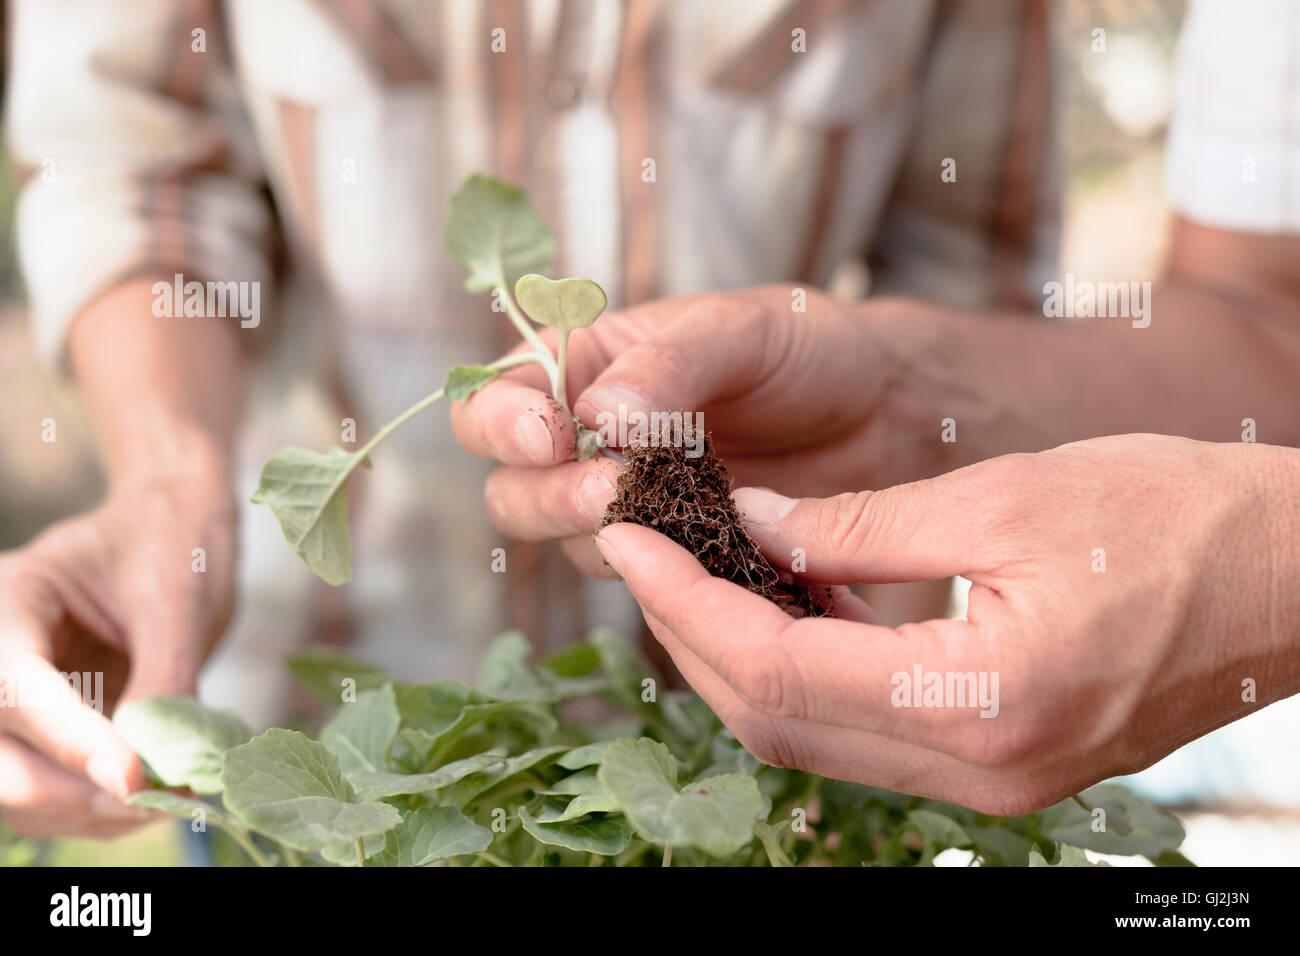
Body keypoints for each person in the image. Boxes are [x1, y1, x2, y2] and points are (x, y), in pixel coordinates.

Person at [1, 0, 1296, 838]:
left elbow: (970, 249)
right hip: (317, 731)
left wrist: (873, 662)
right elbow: (139, 164)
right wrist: (168, 488)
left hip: (762, 791)